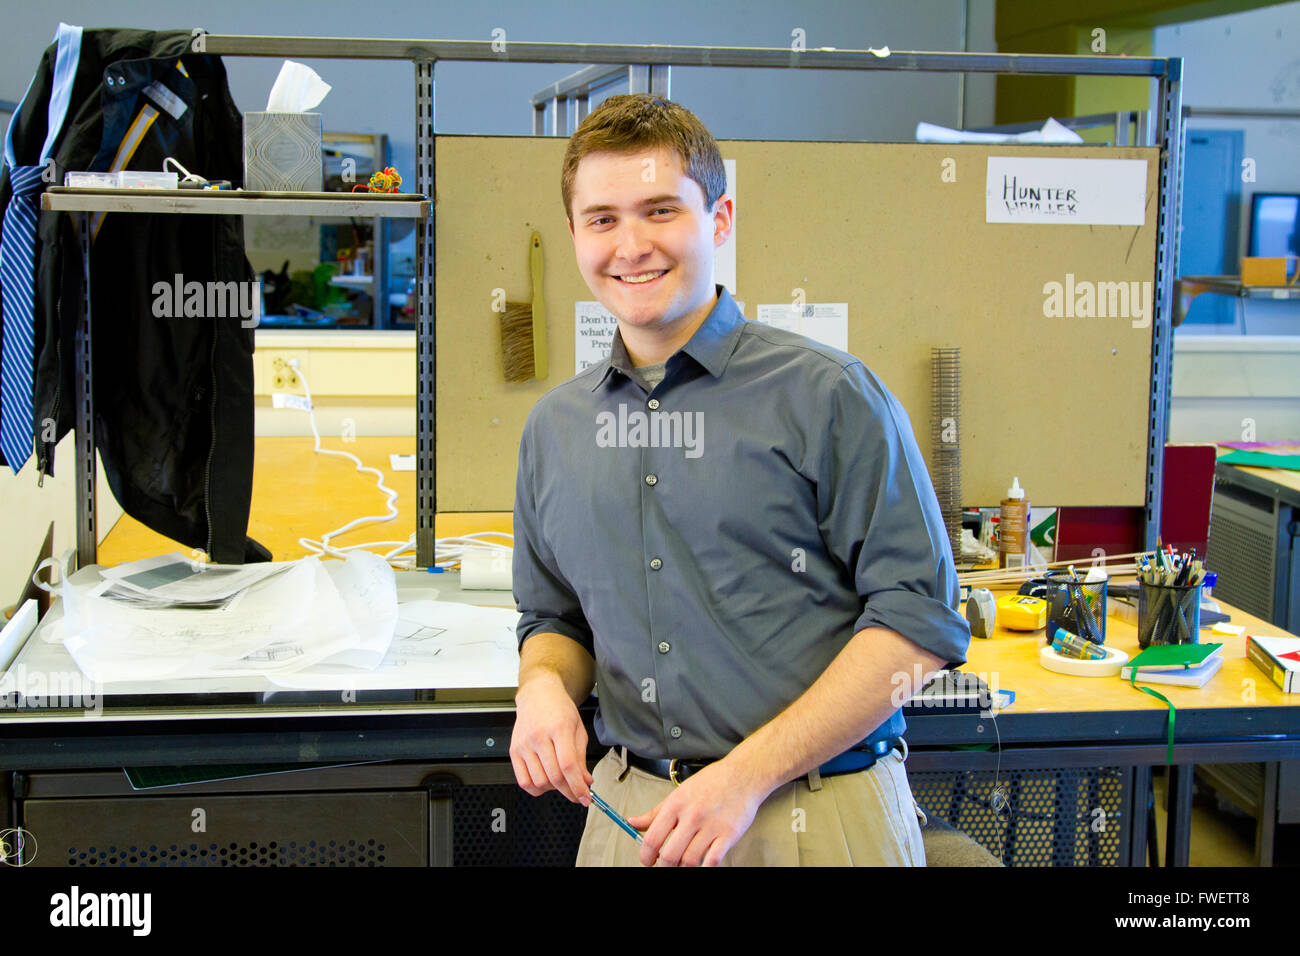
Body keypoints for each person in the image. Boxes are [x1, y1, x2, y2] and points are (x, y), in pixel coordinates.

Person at [509, 94, 970, 866]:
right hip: (633, 820)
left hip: (814, 813)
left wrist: (744, 777)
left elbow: (920, 622)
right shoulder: (555, 430)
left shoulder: (829, 396)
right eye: (602, 219)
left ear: (720, 220)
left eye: (661, 211)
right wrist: (543, 690)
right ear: (575, 236)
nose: (630, 244)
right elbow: (553, 619)